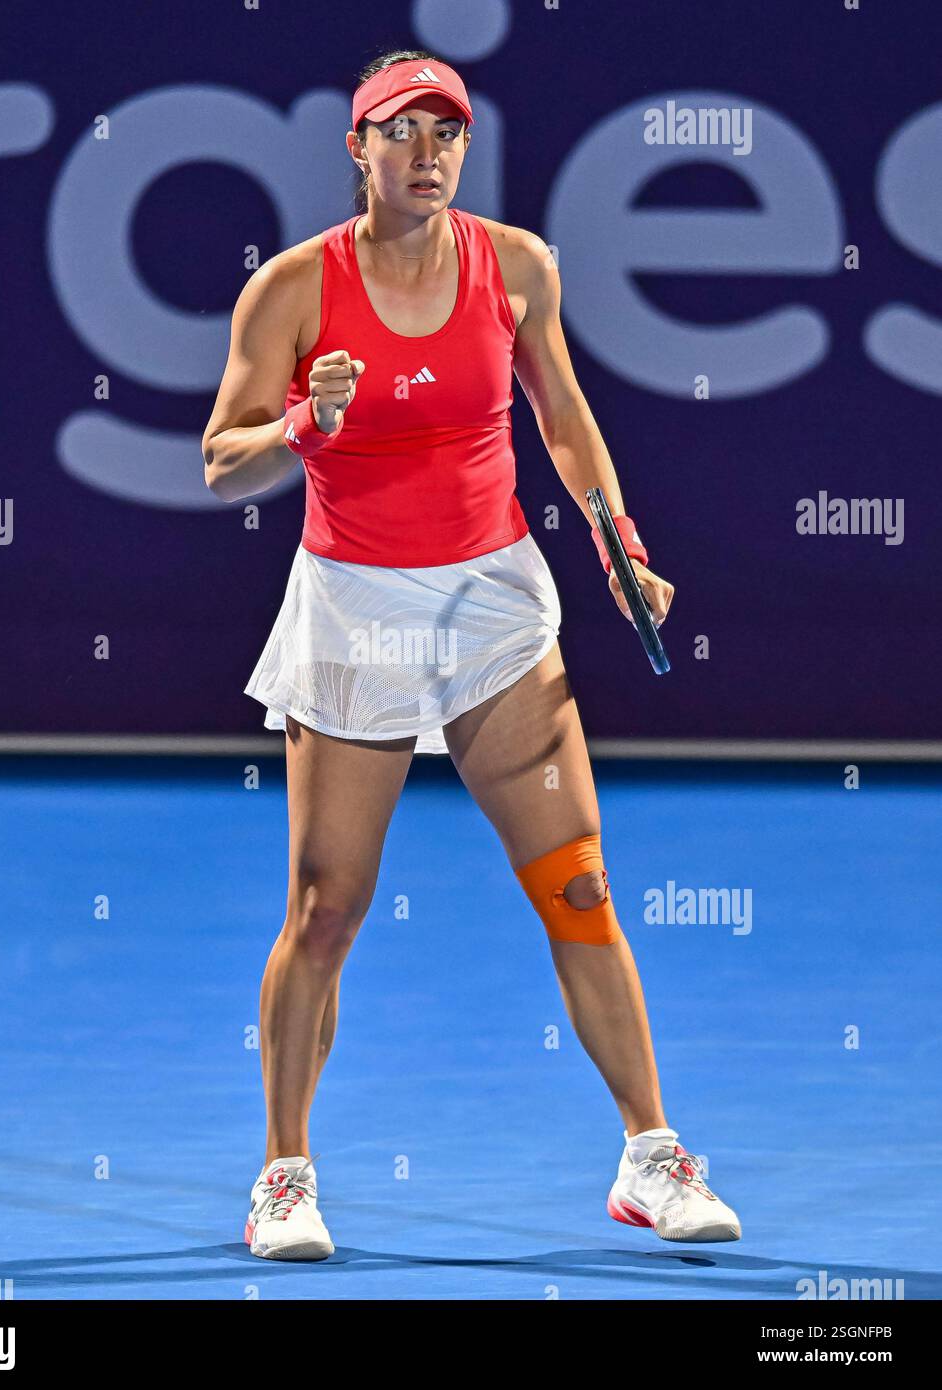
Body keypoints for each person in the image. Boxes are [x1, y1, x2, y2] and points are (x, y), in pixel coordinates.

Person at [202, 49, 741, 1261]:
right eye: (403, 132)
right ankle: (284, 1174)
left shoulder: (518, 267)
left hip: (495, 606)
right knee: (325, 909)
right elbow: (218, 457)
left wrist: (617, 540)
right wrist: (305, 420)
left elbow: (560, 413)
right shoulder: (291, 292)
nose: (429, 153)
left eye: (447, 131)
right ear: (359, 148)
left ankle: (651, 1158)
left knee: (579, 884)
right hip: (351, 611)